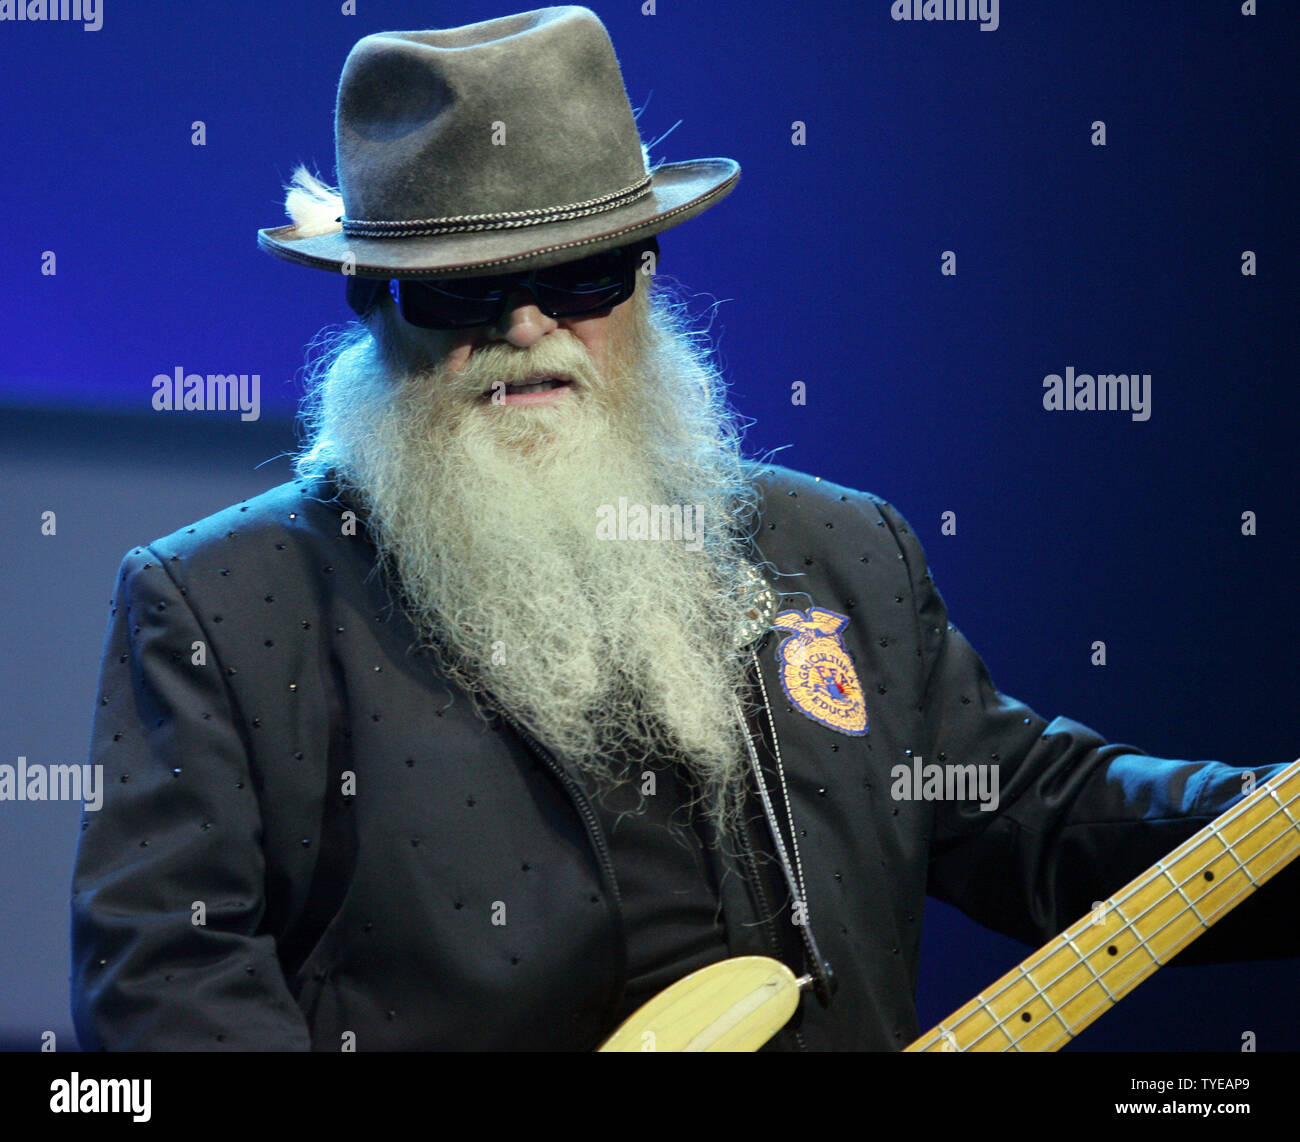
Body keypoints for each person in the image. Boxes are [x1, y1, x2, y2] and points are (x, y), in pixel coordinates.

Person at [70, 5, 1297, 1052]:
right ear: (376, 306)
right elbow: (164, 990)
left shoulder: (841, 552)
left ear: (649, 276)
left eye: (586, 273)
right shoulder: (222, 604)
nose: (531, 324)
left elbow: (1048, 814)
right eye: (467, 288)